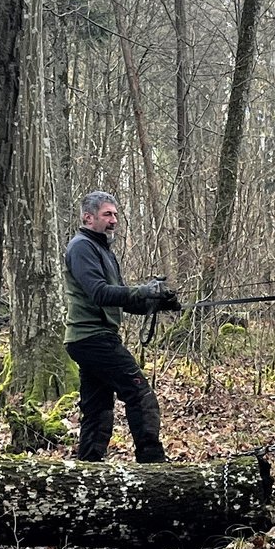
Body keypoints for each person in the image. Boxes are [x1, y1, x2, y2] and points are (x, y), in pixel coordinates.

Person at [63, 191, 182, 462]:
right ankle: (152, 463)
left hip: (92, 338)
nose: (114, 220)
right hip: (92, 337)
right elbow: (100, 293)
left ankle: (88, 468)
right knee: (140, 394)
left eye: (115, 214)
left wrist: (157, 302)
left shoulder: (103, 251)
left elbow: (120, 300)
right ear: (88, 217)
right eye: (107, 214)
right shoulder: (82, 247)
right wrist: (143, 291)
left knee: (98, 407)